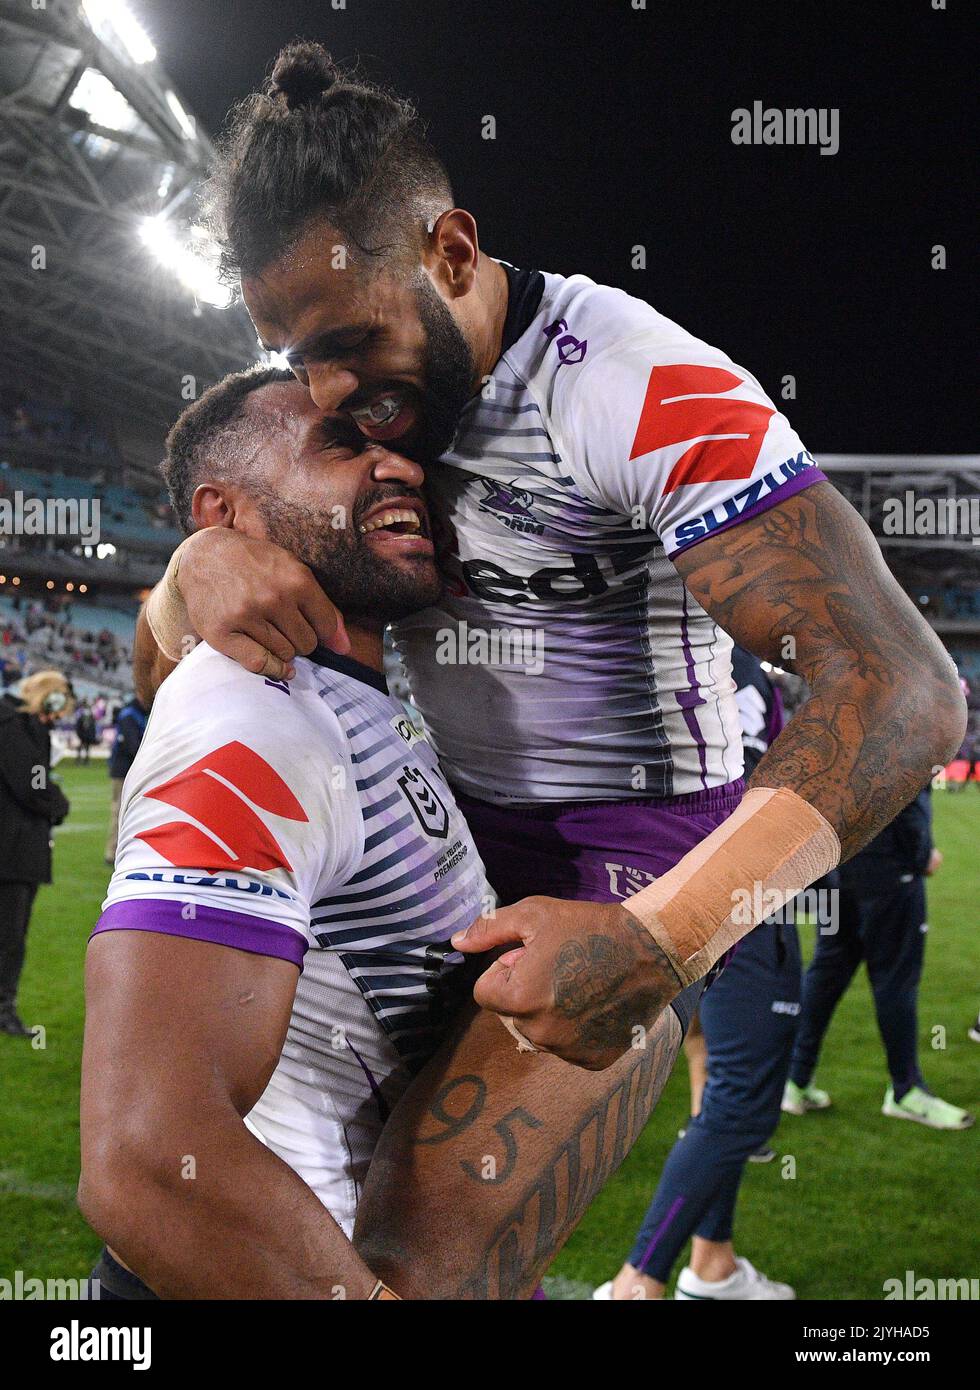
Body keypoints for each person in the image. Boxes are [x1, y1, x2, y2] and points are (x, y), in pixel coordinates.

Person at [133, 43, 965, 1290]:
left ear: (452, 254)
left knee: (412, 1256)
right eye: (292, 354)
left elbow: (901, 693)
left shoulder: (635, 387)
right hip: (424, 839)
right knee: (241, 1215)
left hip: (633, 855)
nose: (330, 395)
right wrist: (183, 574)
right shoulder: (369, 416)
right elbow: (196, 650)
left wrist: (661, 941)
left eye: (349, 343)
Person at [80, 371, 687, 1301]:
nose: (398, 463)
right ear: (222, 511)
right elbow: (148, 1163)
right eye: (340, 444)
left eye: (398, 445)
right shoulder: (253, 717)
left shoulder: (359, 690)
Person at [594, 648, 802, 1300]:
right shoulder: (721, 658)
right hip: (736, 900)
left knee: (710, 1079)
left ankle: (711, 1263)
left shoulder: (666, 642)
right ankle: (638, 1281)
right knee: (741, 1103)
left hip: (664, 894)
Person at [784, 786, 974, 1131]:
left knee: (826, 976)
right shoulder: (898, 731)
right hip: (887, 873)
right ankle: (905, 1091)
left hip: (838, 868)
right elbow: (906, 786)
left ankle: (796, 1080)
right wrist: (922, 854)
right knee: (895, 981)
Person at [0, 670, 72, 1037]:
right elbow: (34, 785)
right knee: (10, 936)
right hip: (14, 850)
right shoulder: (14, 726)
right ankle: (3, 1009)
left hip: (15, 847)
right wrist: (59, 805)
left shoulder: (15, 723)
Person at [104, 694, 148, 864]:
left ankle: (122, 850)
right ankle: (112, 851)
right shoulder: (130, 715)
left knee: (126, 812)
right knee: (119, 811)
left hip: (129, 769)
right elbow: (133, 746)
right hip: (123, 770)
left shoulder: (136, 713)